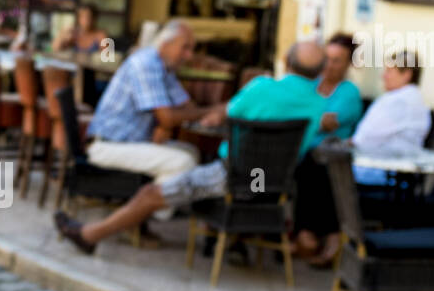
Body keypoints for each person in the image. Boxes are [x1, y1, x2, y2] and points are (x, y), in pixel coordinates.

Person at [54, 40, 328, 253]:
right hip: (273, 188)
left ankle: (89, 235)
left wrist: (214, 114)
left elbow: (227, 112)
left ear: (285, 61)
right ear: (319, 73)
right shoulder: (319, 106)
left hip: (231, 178)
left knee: (151, 192)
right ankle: (225, 239)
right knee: (185, 162)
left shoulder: (262, 88)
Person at [83, 20, 219, 182]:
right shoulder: (147, 63)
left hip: (133, 141)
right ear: (166, 44)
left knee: (191, 152)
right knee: (182, 162)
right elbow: (167, 118)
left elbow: (186, 107)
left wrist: (209, 113)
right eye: (185, 48)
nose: (189, 56)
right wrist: (213, 110)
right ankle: (150, 206)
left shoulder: (165, 67)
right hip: (109, 144)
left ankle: (160, 202)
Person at [292, 33, 363, 265]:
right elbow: (309, 116)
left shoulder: (349, 92)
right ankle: (300, 233)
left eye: (337, 60)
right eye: (327, 58)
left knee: (316, 168)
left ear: (348, 64)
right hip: (299, 151)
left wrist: (305, 117)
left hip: (331, 156)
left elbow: (328, 122)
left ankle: (316, 235)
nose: (330, 65)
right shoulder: (311, 84)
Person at [351, 50, 430, 185]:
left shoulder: (401, 102)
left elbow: (364, 139)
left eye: (389, 71)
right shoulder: (409, 99)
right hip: (388, 172)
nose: (384, 76)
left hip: (385, 175)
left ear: (406, 75)